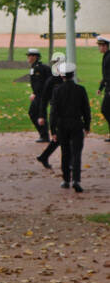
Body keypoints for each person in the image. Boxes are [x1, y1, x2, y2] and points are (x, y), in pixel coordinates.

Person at [50, 61, 90, 191]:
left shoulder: (57, 90)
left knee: (65, 153)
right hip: (77, 124)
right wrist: (87, 126)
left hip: (62, 125)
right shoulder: (80, 89)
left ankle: (66, 179)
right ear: (73, 75)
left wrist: (53, 129)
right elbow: (86, 110)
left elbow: (54, 111)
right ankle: (76, 180)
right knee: (77, 153)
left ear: (62, 76)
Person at [36, 54, 67, 169]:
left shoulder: (66, 77)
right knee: (64, 139)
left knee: (60, 138)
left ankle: (44, 156)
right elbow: (44, 99)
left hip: (67, 112)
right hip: (57, 113)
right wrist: (41, 116)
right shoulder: (51, 81)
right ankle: (68, 164)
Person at [25, 48, 53, 143]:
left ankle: (44, 135)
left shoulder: (38, 68)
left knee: (38, 113)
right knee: (36, 113)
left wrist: (35, 93)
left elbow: (40, 83)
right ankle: (43, 134)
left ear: (35, 57)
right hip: (41, 94)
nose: (28, 58)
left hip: (41, 95)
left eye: (30, 56)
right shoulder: (35, 67)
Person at [97, 35, 110, 139]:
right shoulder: (106, 56)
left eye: (100, 46)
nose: (99, 48)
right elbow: (105, 75)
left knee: (105, 109)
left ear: (105, 46)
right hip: (107, 88)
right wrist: (100, 88)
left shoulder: (109, 57)